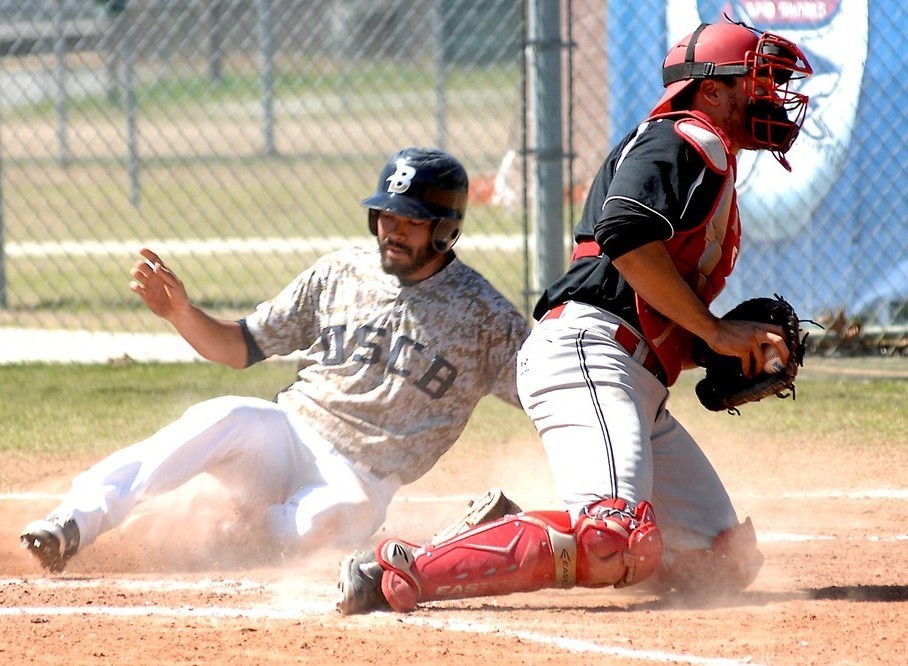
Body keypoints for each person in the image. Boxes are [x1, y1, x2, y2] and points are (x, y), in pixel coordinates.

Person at [337, 19, 813, 614]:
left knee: (719, 561)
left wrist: (717, 348)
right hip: (591, 353)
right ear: (711, 90)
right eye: (758, 81)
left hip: (627, 369)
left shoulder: (707, 156)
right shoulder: (688, 139)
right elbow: (624, 233)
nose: (772, 96)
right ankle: (398, 570)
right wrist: (715, 329)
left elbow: (644, 295)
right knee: (614, 538)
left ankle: (497, 533)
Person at [19, 146, 531, 573]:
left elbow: (551, 395)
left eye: (410, 221)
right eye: (386, 215)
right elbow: (241, 346)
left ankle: (224, 532)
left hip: (362, 477)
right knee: (224, 415)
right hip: (288, 433)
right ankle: (72, 522)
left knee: (333, 514)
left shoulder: (483, 316)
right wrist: (181, 313)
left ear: (445, 228)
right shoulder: (340, 272)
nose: (392, 230)